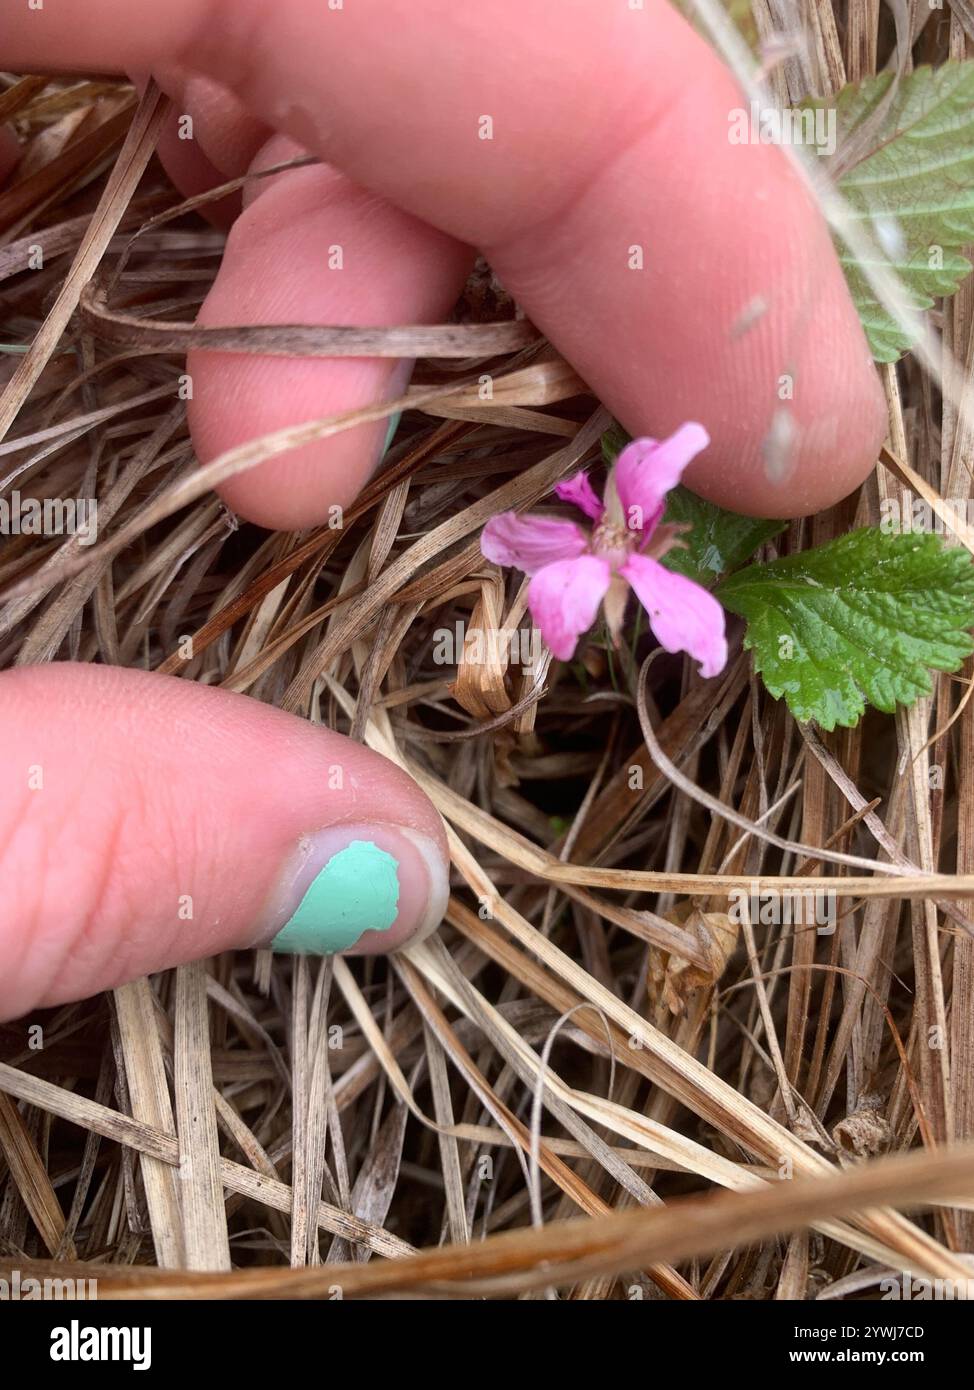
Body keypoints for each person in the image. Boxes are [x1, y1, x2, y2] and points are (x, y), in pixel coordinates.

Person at [0, 0, 885, 1020]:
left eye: (619, 534)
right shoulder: (565, 562)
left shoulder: (629, 572)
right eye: (608, 532)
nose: (609, 538)